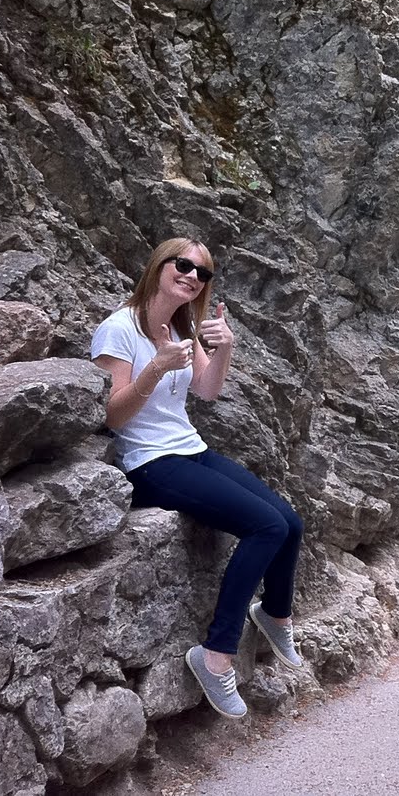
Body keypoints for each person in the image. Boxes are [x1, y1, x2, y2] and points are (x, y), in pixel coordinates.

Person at [90, 238, 303, 721]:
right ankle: (216, 655)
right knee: (264, 527)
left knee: (289, 521)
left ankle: (274, 614)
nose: (191, 276)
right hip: (148, 463)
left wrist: (223, 349)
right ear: (159, 266)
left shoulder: (181, 325)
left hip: (189, 449)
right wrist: (155, 369)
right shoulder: (118, 329)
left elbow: (207, 391)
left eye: (202, 273)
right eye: (182, 265)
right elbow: (112, 416)